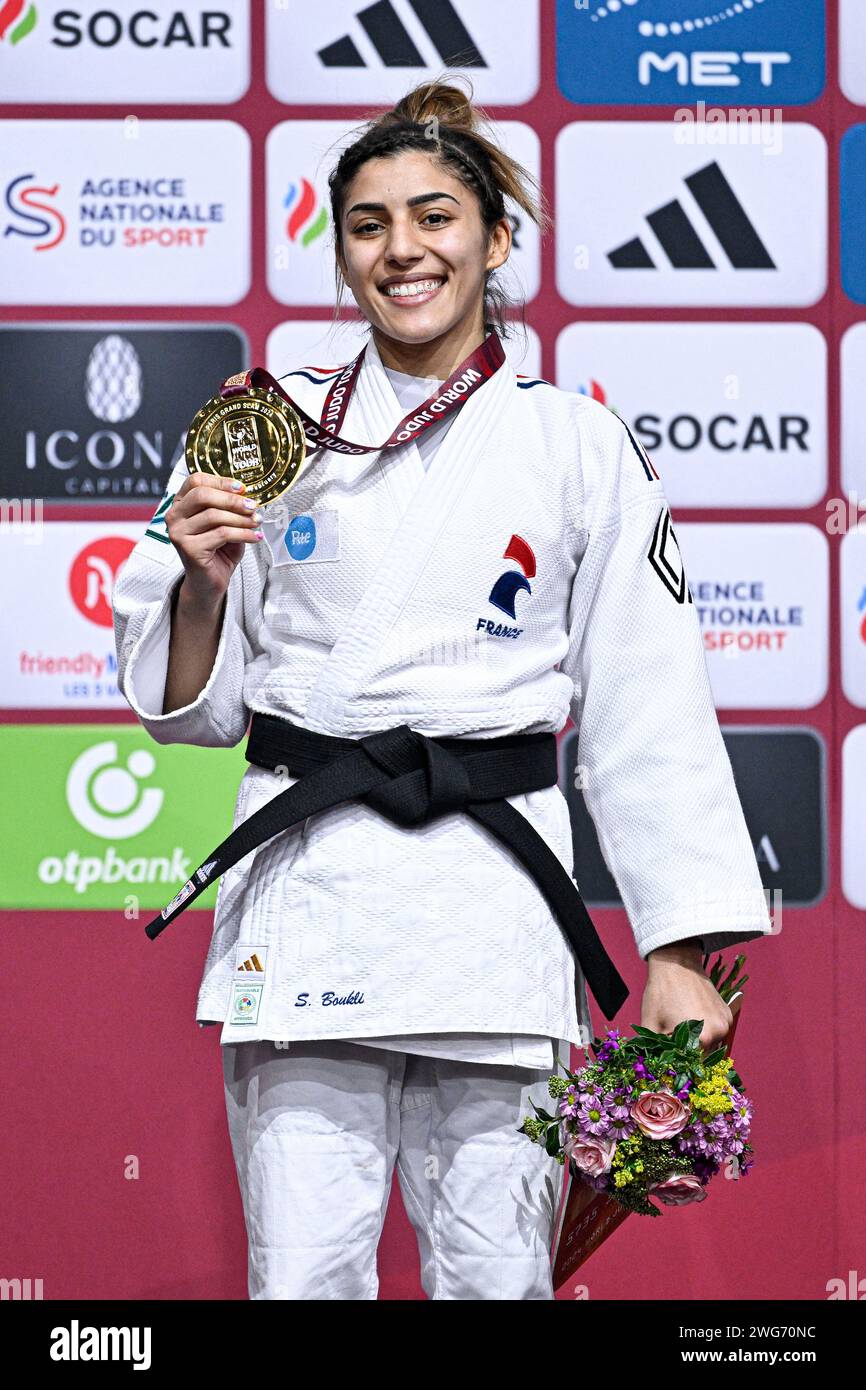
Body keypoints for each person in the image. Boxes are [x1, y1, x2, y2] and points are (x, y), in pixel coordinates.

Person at [112, 79, 773, 1301]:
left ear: (496, 240)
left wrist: (679, 945)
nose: (401, 250)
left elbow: (647, 702)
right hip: (311, 896)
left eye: (433, 217)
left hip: (490, 904)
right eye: (367, 225)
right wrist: (200, 586)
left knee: (495, 1278)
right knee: (300, 1277)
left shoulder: (576, 443)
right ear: (339, 250)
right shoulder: (261, 426)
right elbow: (190, 708)